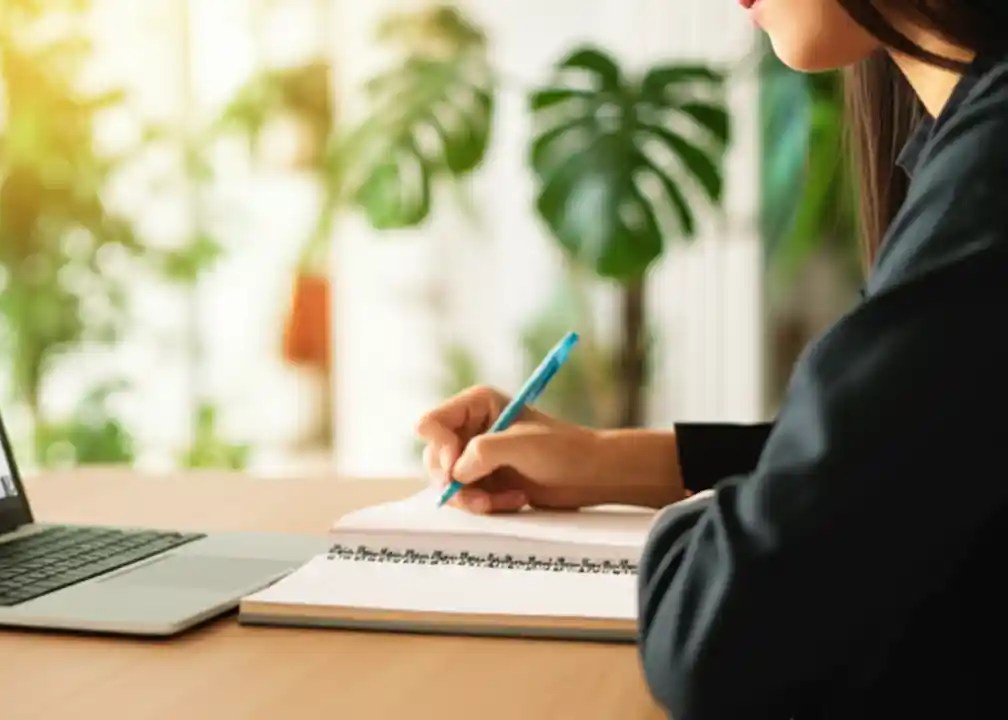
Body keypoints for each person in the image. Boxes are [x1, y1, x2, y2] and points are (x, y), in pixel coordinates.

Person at [416, 2, 1008, 717]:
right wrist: (614, 462)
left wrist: (708, 529)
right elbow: (912, 456)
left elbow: (723, 634)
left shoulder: (989, 179)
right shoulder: (968, 138)